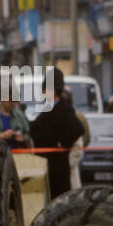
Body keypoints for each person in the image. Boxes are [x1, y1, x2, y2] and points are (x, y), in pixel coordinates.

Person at [28, 68, 87, 199]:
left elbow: (78, 128)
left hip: (59, 166)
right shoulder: (49, 108)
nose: (42, 92)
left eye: (44, 89)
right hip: (49, 164)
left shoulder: (63, 109)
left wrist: (63, 143)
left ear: (53, 90)